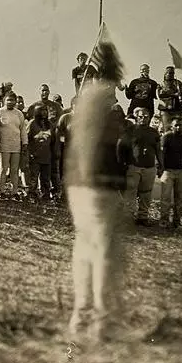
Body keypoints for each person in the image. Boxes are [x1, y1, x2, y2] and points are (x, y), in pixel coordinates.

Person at [65, 80, 129, 342]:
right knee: (102, 252)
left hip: (79, 188)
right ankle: (100, 319)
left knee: (84, 249)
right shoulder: (112, 125)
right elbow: (123, 157)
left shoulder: (76, 125)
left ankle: (82, 314)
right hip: (100, 189)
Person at [119, 107, 162, 226]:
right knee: (131, 192)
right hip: (134, 166)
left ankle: (143, 217)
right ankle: (128, 216)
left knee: (146, 193)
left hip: (149, 167)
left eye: (146, 117)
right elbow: (121, 147)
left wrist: (161, 165)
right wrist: (123, 163)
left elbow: (158, 150)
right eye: (140, 117)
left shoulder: (154, 132)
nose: (143, 119)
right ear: (136, 117)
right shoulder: (130, 130)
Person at [159, 117, 182, 229]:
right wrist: (161, 169)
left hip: (181, 171)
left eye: (180, 125)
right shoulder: (167, 137)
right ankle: (164, 220)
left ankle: (176, 221)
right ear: (171, 126)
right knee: (165, 197)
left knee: (179, 198)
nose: (178, 127)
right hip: (168, 171)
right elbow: (162, 154)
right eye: (176, 125)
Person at [0, 91, 27, 200]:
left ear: (15, 102)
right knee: (3, 169)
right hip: (3, 145)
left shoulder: (19, 114)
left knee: (15, 169)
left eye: (12, 100)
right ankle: (1, 192)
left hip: (16, 145)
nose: (10, 102)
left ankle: (14, 193)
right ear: (4, 100)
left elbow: (22, 129)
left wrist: (24, 143)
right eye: (8, 100)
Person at [27, 104, 56, 201]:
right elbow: (26, 139)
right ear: (36, 112)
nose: (44, 112)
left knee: (46, 178)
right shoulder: (32, 123)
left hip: (46, 155)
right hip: (34, 155)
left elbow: (53, 140)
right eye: (41, 110)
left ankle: (45, 195)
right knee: (33, 178)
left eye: (45, 110)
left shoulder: (50, 124)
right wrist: (29, 152)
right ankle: (32, 194)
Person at [157, 66, 182, 133]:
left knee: (177, 127)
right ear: (165, 73)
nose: (170, 74)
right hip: (165, 109)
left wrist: (179, 94)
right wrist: (173, 94)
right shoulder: (161, 84)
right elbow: (160, 95)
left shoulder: (178, 83)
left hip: (176, 108)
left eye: (172, 73)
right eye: (168, 73)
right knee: (166, 128)